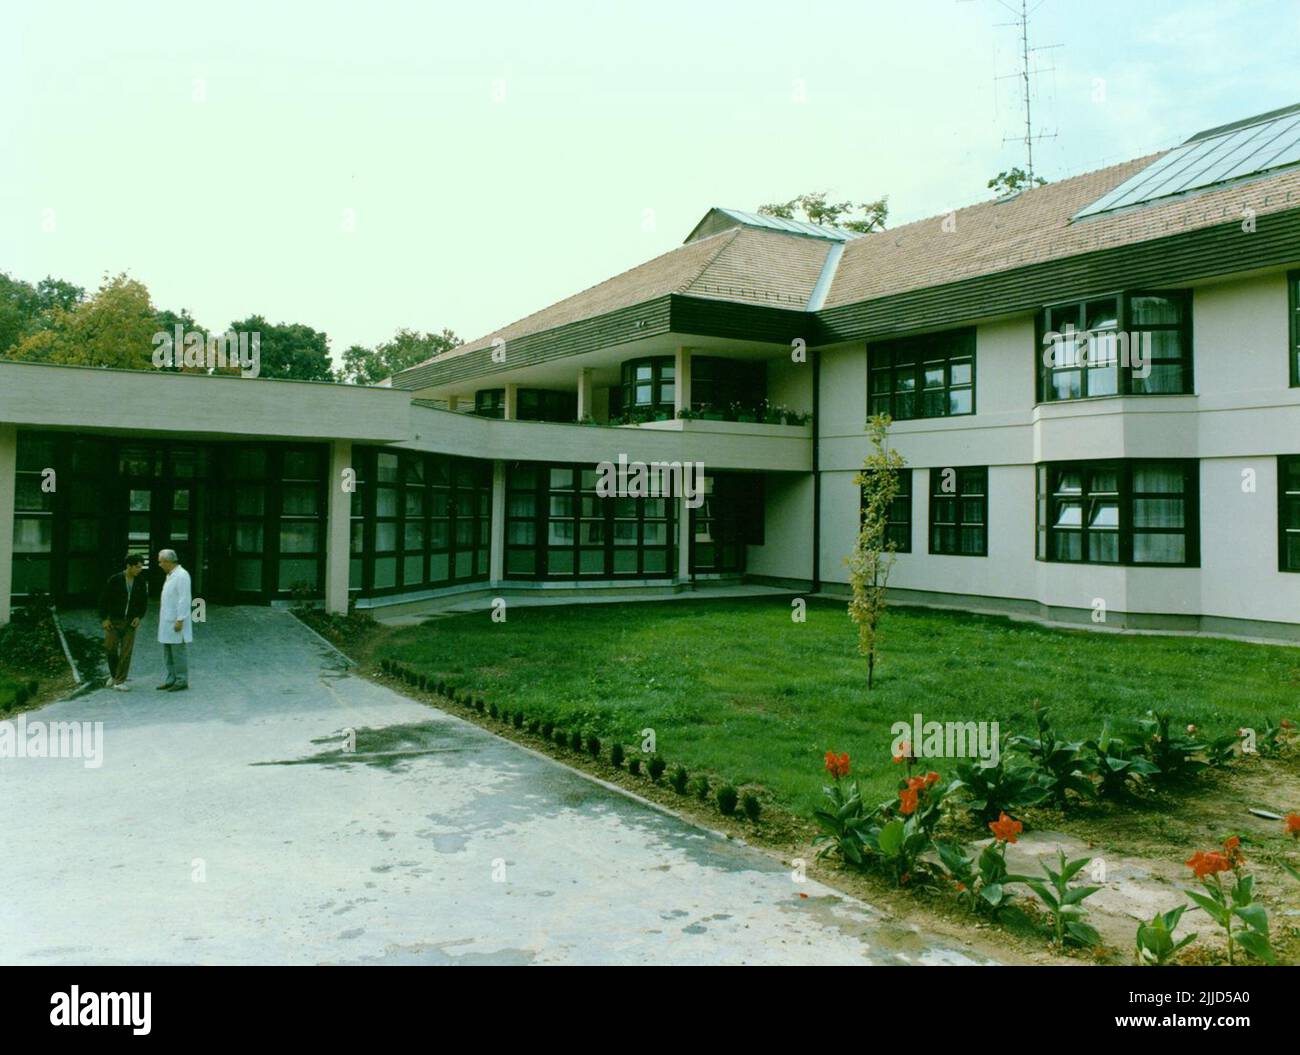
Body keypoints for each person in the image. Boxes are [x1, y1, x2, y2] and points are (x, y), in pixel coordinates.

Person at [97, 554, 149, 690]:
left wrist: (139, 617)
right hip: (113, 620)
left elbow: (144, 602)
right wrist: (104, 619)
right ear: (129, 566)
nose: (140, 570)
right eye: (137, 567)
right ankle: (114, 675)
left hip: (130, 622)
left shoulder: (141, 581)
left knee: (126, 651)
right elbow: (103, 600)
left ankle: (120, 681)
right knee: (110, 649)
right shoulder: (115, 580)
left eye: (141, 567)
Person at [156, 548, 192, 692]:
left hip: (176, 621)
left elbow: (184, 599)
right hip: (167, 620)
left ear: (168, 562)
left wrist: (180, 619)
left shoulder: (182, 575)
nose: (159, 565)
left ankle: (181, 680)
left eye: (161, 562)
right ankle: (171, 678)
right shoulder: (171, 575)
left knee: (178, 652)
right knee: (168, 653)